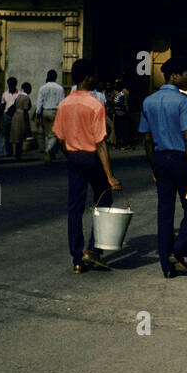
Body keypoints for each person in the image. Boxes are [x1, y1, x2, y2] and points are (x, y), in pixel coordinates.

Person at [53, 59, 122, 274]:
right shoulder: (95, 105)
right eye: (93, 76)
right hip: (92, 158)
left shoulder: (64, 104)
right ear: (86, 78)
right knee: (104, 198)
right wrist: (110, 176)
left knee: (74, 208)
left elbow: (60, 138)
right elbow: (101, 143)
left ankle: (76, 258)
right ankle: (93, 249)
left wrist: (71, 155)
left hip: (73, 158)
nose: (95, 80)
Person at [139, 57, 187, 278]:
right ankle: (178, 252)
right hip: (181, 160)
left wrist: (153, 166)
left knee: (165, 211)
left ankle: (167, 263)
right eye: (186, 74)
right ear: (174, 76)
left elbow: (147, 140)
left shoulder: (148, 101)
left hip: (159, 159)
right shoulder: (183, 101)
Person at [35, 69, 66, 162]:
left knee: (47, 133)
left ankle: (50, 153)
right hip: (55, 112)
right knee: (54, 134)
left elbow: (39, 102)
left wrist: (37, 115)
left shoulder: (43, 88)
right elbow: (62, 103)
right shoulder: (60, 88)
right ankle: (48, 150)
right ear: (55, 77)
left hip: (45, 111)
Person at [10, 81, 33, 160]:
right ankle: (18, 154)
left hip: (15, 116)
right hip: (22, 117)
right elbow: (26, 110)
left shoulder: (18, 97)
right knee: (21, 135)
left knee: (17, 135)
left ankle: (16, 152)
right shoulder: (26, 98)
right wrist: (28, 124)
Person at [0, 77, 20, 155]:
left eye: (13, 84)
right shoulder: (5, 94)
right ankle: (9, 150)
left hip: (17, 115)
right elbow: (2, 105)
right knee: (7, 134)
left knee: (17, 133)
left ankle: (17, 151)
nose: (11, 86)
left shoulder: (19, 94)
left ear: (15, 84)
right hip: (7, 116)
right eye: (10, 84)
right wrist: (0, 115)